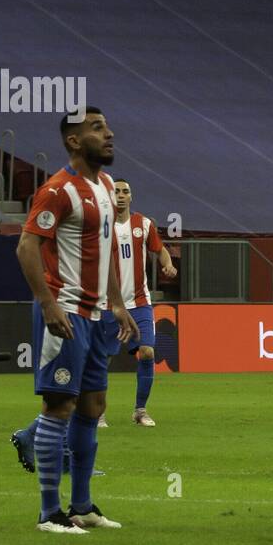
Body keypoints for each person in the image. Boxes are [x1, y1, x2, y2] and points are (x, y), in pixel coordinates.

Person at [15, 106, 138, 534]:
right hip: (65, 311)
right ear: (73, 141)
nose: (109, 134)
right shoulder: (57, 191)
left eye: (106, 125)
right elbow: (26, 248)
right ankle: (50, 512)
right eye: (97, 128)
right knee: (58, 407)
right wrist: (48, 305)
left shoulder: (105, 186)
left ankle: (82, 505)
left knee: (92, 407)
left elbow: (104, 252)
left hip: (97, 313)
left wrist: (118, 303)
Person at [96, 179, 176, 428]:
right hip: (108, 304)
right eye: (116, 191)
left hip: (140, 302)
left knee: (147, 352)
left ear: (131, 197)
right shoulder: (101, 226)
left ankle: (140, 410)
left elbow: (159, 249)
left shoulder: (144, 224)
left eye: (125, 191)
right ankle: (97, 412)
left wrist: (167, 262)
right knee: (103, 359)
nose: (120, 195)